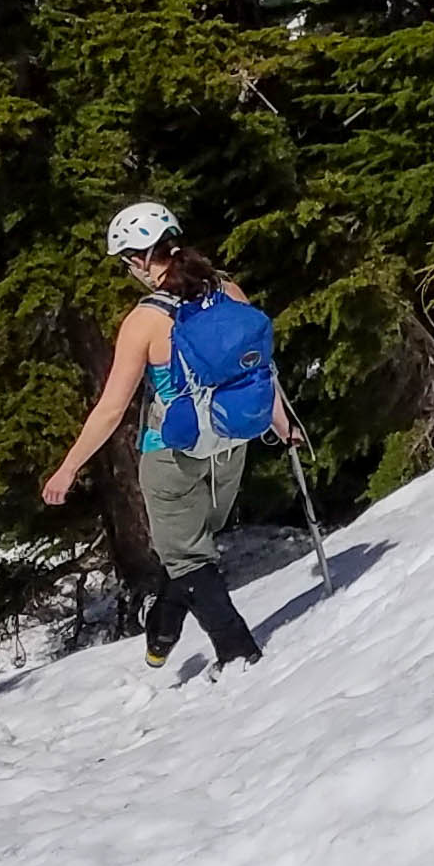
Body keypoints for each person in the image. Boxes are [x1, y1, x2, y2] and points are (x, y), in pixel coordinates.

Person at [40, 202, 292, 672]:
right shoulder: (227, 289)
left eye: (127, 261)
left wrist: (68, 468)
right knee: (190, 545)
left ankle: (238, 654)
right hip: (231, 441)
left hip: (170, 453)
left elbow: (111, 408)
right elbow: (257, 368)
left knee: (188, 558)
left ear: (140, 259)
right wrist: (282, 424)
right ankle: (163, 629)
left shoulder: (145, 321)